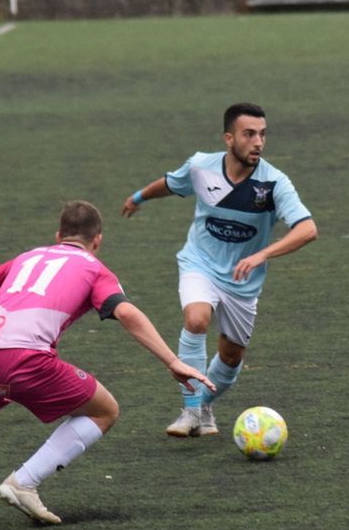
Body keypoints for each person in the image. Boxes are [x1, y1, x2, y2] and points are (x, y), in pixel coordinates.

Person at [0, 201, 213, 530]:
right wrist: (173, 361)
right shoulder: (95, 269)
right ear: (98, 240)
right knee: (105, 411)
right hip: (24, 358)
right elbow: (126, 312)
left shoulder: (27, 257)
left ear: (58, 236)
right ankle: (23, 482)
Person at [120, 103, 318, 438]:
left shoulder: (273, 183)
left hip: (242, 281)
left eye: (262, 134)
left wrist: (261, 255)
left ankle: (204, 405)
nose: (258, 142)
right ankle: (190, 411)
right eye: (249, 134)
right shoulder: (201, 166)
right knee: (196, 319)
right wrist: (139, 197)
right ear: (229, 138)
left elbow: (308, 229)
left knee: (230, 356)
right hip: (199, 262)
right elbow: (171, 183)